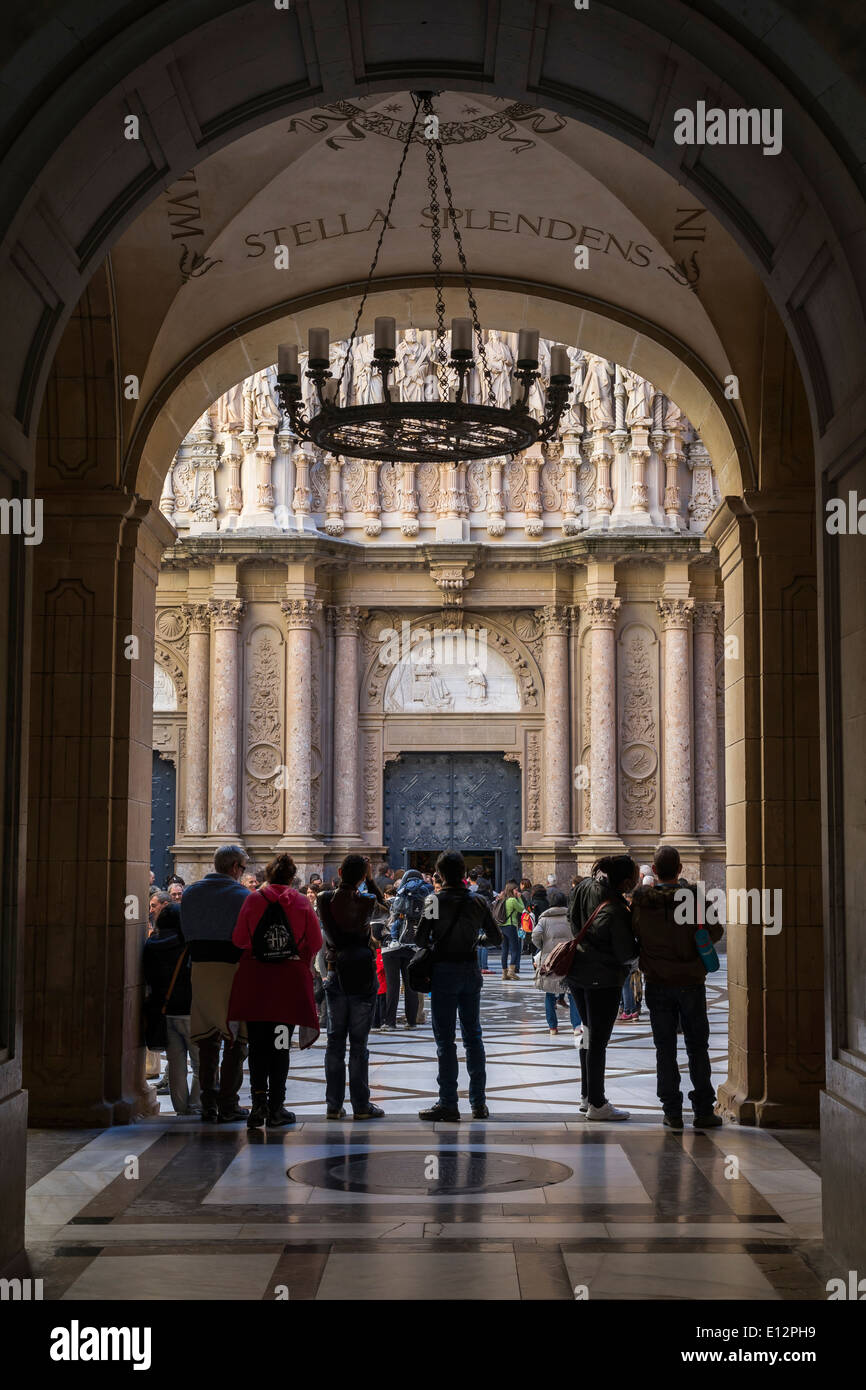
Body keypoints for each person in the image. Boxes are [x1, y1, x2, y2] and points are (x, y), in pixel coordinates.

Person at [631, 845, 724, 1131]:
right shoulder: (693, 898)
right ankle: (703, 1111)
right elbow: (716, 931)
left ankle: (672, 1111)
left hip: (657, 984)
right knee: (698, 1047)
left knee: (665, 1049)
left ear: (654, 870)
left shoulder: (642, 901)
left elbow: (631, 934)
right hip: (691, 983)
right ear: (680, 869)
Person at [228, 853, 322, 1130]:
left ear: (268, 874)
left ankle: (258, 1106)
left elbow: (239, 940)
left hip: (257, 982)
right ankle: (277, 1107)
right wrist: (297, 962)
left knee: (257, 1044)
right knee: (280, 1044)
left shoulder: (253, 899)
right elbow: (314, 942)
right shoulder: (302, 902)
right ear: (291, 878)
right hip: (287, 986)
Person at [417, 849, 502, 1121]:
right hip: (470, 971)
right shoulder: (478, 901)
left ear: (440, 875)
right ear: (464, 873)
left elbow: (420, 939)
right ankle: (478, 1103)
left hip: (443, 973)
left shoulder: (433, 900)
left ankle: (448, 1103)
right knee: (473, 1036)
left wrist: (436, 942)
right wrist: (475, 943)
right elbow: (496, 938)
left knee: (445, 1040)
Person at [180, 844, 251, 1123]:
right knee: (236, 1040)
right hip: (232, 971)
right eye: (243, 868)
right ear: (235, 867)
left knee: (207, 1040)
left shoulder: (191, 893)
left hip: (200, 970)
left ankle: (208, 1102)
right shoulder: (244, 896)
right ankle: (228, 1104)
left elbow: (187, 932)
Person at [568, 855, 639, 1121]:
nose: (634, 882)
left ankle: (587, 1096)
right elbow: (625, 952)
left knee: (587, 1034)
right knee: (598, 1040)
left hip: (577, 972)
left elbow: (572, 919)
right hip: (603, 978)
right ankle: (598, 1103)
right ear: (623, 879)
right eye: (631, 877)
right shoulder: (616, 908)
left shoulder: (582, 886)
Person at [317, 854, 387, 1119]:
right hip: (361, 973)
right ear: (362, 876)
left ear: (339, 871)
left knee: (335, 1042)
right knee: (359, 1044)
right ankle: (361, 1105)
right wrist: (369, 881)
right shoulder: (367, 900)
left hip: (336, 972)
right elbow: (386, 909)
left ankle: (333, 1105)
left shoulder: (324, 899)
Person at [142, 902, 200, 1115]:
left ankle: (181, 1110)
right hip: (190, 1010)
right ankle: (195, 1105)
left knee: (176, 1066)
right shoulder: (188, 943)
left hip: (164, 1012)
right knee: (200, 1065)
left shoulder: (150, 944)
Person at [532, 890, 583, 1039]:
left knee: (549, 993)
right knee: (573, 993)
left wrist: (543, 946)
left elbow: (535, 935)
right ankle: (576, 1027)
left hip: (550, 960)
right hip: (569, 959)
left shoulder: (544, 919)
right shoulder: (572, 918)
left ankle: (553, 1027)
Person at [380, 866, 427, 1030]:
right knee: (411, 985)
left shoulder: (392, 900)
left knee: (392, 986)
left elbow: (381, 922)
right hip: (412, 946)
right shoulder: (426, 899)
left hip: (391, 948)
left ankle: (390, 1022)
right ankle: (412, 1021)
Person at [500, 880, 524, 979]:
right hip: (511, 926)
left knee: (504, 949)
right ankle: (511, 971)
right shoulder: (513, 900)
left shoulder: (502, 899)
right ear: (512, 890)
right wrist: (519, 898)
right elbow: (522, 909)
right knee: (515, 949)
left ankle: (504, 973)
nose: (517, 892)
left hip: (502, 926)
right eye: (516, 890)